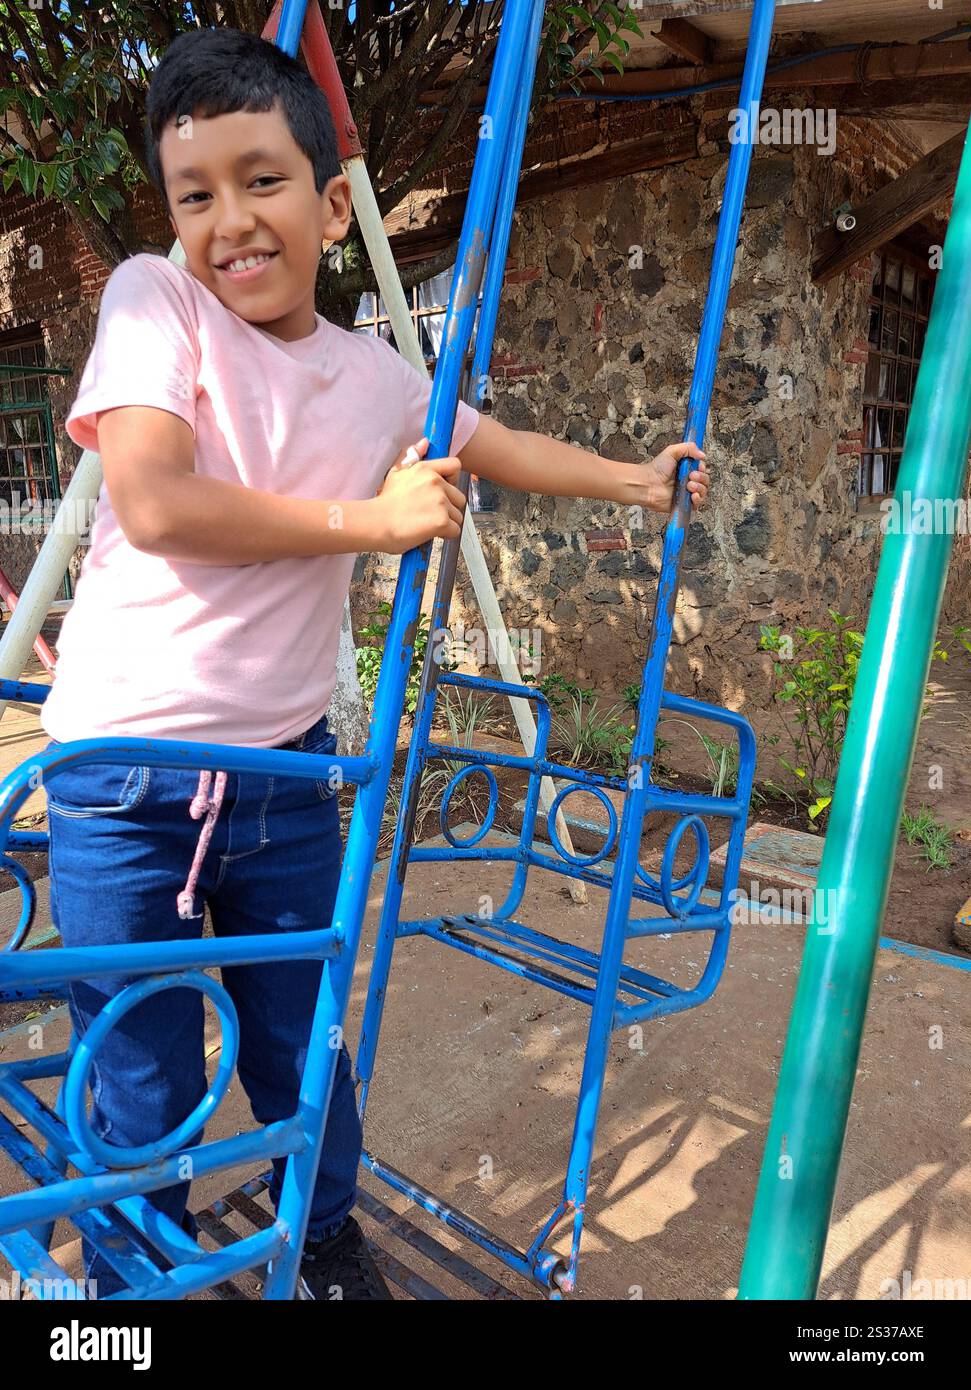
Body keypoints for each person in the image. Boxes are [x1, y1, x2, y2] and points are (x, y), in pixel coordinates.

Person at [40, 26, 710, 1301]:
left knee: (305, 1041)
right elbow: (160, 500)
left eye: (263, 179)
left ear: (332, 205)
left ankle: (324, 1233)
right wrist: (374, 523)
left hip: (284, 778)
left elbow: (493, 442)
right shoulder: (155, 298)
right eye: (197, 194)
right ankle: (131, 1291)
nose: (229, 220)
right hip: (123, 781)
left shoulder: (374, 375)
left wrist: (637, 483)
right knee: (136, 1065)